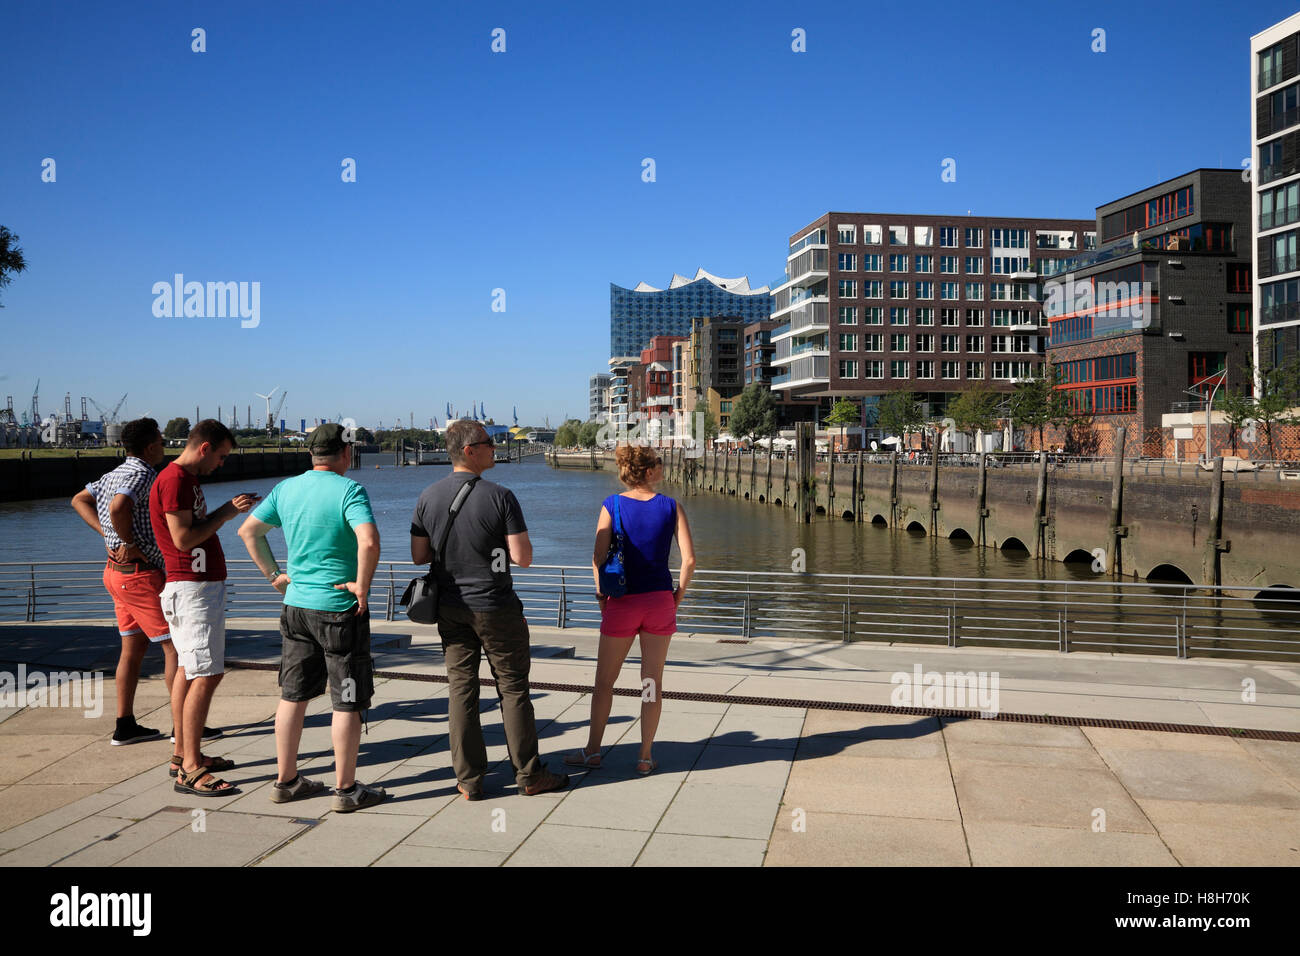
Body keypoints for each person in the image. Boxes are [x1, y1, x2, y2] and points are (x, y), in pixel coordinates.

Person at [410, 420, 568, 800]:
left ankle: (469, 780)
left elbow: (418, 557)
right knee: (512, 689)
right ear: (468, 450)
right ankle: (529, 775)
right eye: (488, 443)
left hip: (450, 606)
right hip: (496, 607)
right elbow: (522, 557)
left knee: (461, 688)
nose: (495, 448)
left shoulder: (427, 497)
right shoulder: (501, 497)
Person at [237, 423, 386, 812]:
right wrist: (362, 587)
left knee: (293, 696)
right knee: (347, 700)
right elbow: (369, 541)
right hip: (337, 609)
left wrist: (274, 576)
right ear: (345, 454)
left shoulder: (286, 489)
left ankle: (286, 781)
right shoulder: (349, 490)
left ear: (310, 455)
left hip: (296, 606)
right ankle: (346, 789)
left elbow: (249, 532)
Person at [568, 444, 695, 774]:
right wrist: (676, 596)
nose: (663, 467)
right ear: (650, 471)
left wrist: (601, 598)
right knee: (651, 682)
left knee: (604, 683)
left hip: (622, 603)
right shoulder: (672, 507)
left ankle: (593, 751)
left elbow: (597, 558)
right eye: (659, 463)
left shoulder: (611, 506)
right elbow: (690, 560)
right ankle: (645, 756)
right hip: (659, 602)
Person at [150, 419, 258, 796]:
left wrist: (223, 512)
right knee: (206, 674)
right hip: (193, 590)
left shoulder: (184, 480)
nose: (222, 465)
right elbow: (182, 539)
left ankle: (183, 753)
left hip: (193, 588)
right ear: (205, 448)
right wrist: (226, 513)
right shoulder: (176, 480)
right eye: (222, 456)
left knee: (187, 669)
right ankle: (191, 769)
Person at [70, 417, 179, 745]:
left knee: (132, 647)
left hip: (116, 575)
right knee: (177, 648)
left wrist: (108, 536)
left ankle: (125, 724)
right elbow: (120, 506)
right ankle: (185, 727)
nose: (164, 445)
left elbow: (79, 500)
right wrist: (126, 541)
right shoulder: (142, 474)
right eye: (160, 440)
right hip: (140, 576)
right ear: (149, 447)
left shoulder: (113, 473)